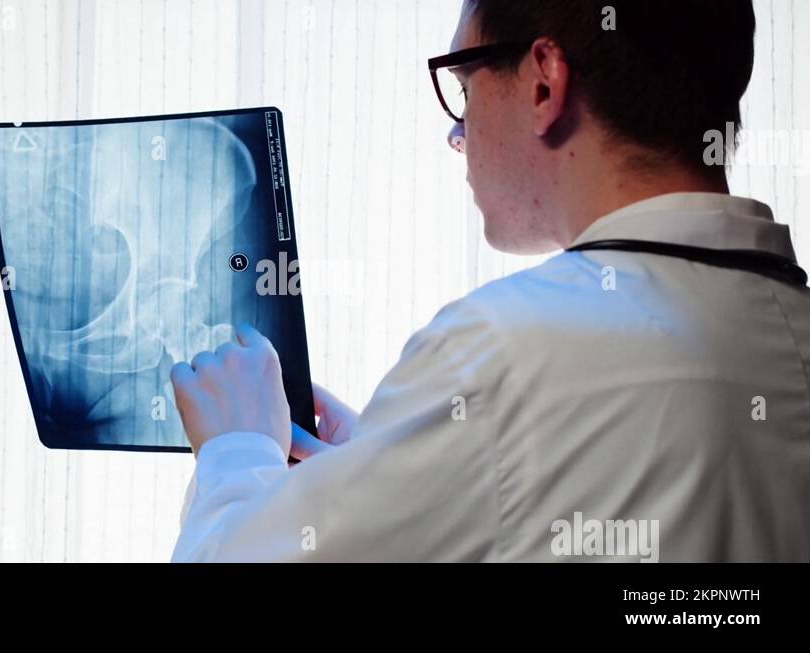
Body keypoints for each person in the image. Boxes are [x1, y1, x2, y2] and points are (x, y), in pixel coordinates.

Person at [168, 0, 810, 562]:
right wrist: (390, 463)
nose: (457, 133)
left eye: (464, 90)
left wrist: (235, 450)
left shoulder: (499, 351)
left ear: (542, 84)